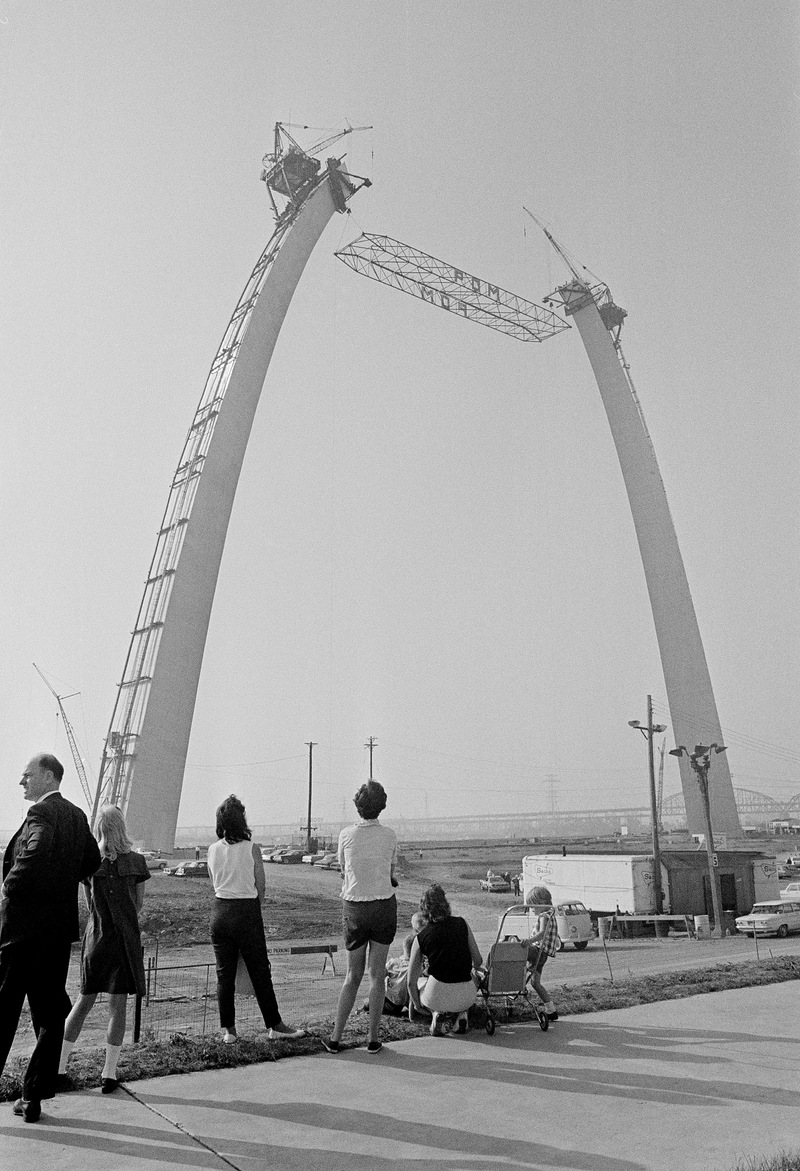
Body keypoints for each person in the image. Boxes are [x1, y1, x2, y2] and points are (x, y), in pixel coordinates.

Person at [0, 754, 101, 1122]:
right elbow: (92, 862)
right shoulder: (76, 816)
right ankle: (33, 1097)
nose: (21, 782)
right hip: (56, 935)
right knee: (49, 1013)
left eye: (27, 775)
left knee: (4, 1008)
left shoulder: (40, 815)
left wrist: (9, 888)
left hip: (22, 933)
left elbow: (36, 852)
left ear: (46, 776)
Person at [58, 804, 150, 1093]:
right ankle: (109, 1074)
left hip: (96, 940)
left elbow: (88, 905)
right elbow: (137, 905)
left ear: (98, 828)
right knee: (117, 1008)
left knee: (83, 1003)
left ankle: (59, 1067)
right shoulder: (136, 862)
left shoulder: (90, 864)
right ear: (121, 827)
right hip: (123, 942)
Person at [207, 795, 304, 1043]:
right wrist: (250, 908)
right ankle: (274, 1024)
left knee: (224, 975)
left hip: (219, 911)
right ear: (242, 821)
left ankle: (228, 1030)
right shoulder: (252, 849)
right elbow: (261, 887)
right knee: (260, 971)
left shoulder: (212, 849)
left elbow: (213, 882)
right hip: (246, 911)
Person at [323, 779, 398, 1055]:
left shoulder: (346, 835)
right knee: (377, 975)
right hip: (383, 906)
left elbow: (343, 869)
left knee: (352, 976)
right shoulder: (389, 835)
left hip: (355, 907)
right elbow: (392, 869)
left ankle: (335, 1037)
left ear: (358, 806)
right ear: (382, 806)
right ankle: (373, 1038)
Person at [407, 883, 482, 1036]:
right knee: (470, 977)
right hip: (467, 996)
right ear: (446, 904)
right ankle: (461, 1014)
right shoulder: (462, 923)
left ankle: (436, 1014)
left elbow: (410, 981)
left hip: (436, 996)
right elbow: (478, 961)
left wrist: (417, 1006)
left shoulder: (421, 937)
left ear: (424, 909)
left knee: (422, 981)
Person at [524, 885, 559, 1021]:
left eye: (533, 906)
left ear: (541, 903)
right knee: (535, 983)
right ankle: (551, 1009)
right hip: (542, 955)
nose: (532, 909)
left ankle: (515, 979)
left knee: (517, 950)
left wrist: (529, 941)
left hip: (537, 951)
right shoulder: (551, 915)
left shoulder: (544, 916)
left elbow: (542, 933)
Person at [383, 911, 426, 1014]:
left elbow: (383, 973)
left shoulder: (394, 962)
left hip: (389, 1001)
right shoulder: (418, 968)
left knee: (370, 1001)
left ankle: (365, 1008)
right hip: (403, 1003)